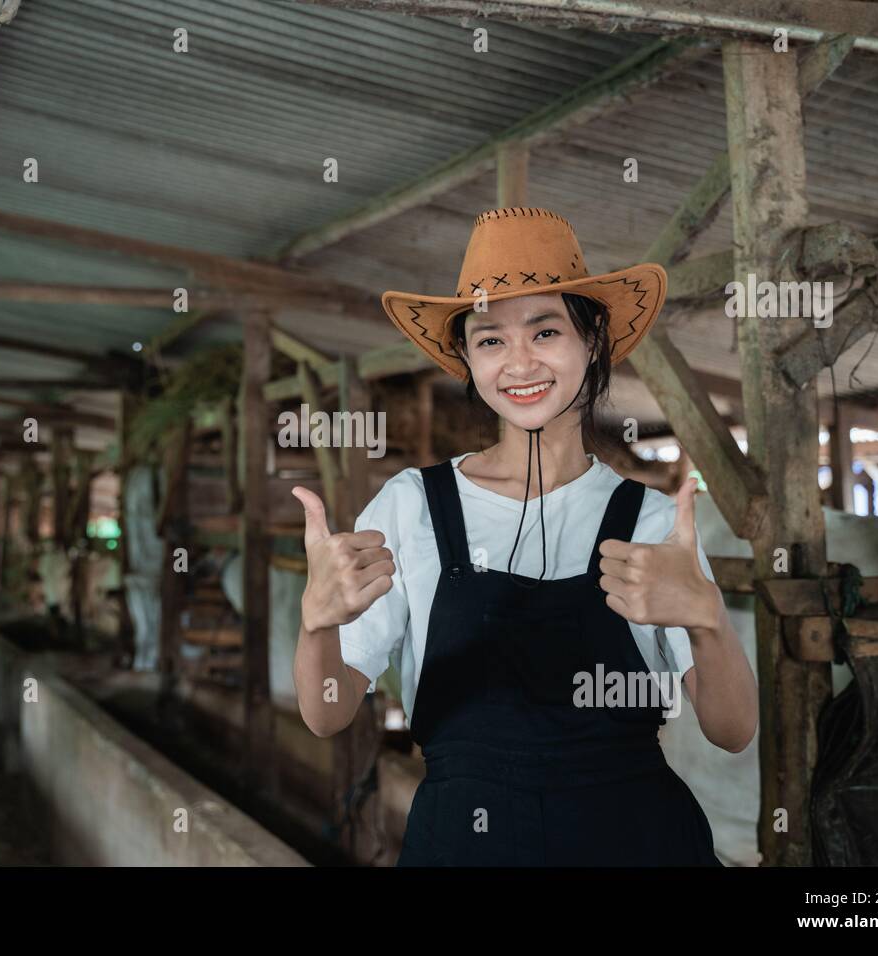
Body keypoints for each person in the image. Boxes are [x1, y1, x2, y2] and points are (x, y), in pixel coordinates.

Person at [292, 206, 757, 866]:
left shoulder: (652, 523)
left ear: (591, 340)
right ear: (466, 358)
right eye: (489, 340)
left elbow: (733, 731)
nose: (519, 363)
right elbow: (326, 715)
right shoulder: (411, 508)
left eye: (545, 331)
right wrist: (317, 625)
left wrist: (708, 621)